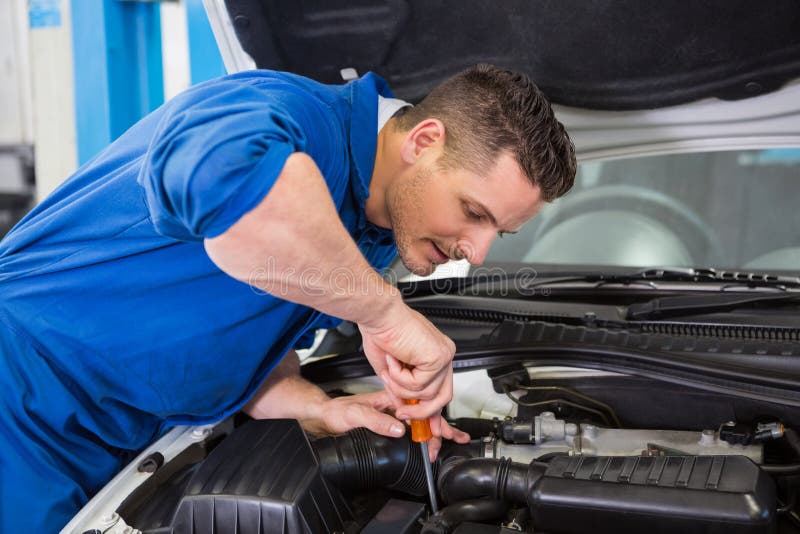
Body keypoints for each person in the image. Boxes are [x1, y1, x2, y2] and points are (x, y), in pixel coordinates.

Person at [0, 64, 576, 531]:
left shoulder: (376, 228)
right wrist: (382, 311)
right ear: (424, 142)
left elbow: (254, 333)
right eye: (473, 213)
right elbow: (229, 204)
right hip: (23, 401)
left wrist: (314, 406)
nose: (476, 252)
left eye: (496, 232)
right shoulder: (286, 113)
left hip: (124, 441)